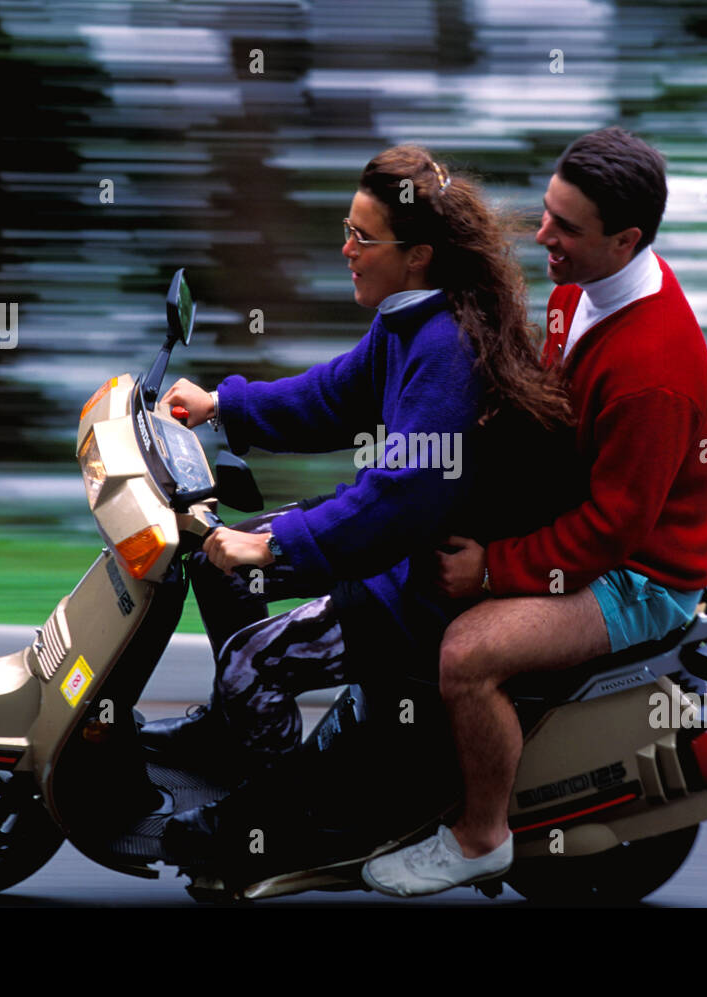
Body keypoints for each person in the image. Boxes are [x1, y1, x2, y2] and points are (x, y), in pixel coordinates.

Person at [146, 145, 572, 860]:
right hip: (399, 547)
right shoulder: (410, 319)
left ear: (417, 255)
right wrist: (222, 403)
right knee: (220, 568)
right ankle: (234, 734)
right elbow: (333, 395)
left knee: (256, 659)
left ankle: (278, 825)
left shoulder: (446, 352)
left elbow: (397, 500)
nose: (345, 249)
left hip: (423, 584)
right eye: (346, 229)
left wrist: (275, 545)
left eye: (361, 238)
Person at [361, 127, 707, 897]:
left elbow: (612, 529)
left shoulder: (651, 370)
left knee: (467, 653)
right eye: (547, 210)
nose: (542, 234)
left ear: (625, 239)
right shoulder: (578, 292)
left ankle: (479, 836)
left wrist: (495, 568)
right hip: (588, 530)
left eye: (566, 226)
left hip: (638, 574)